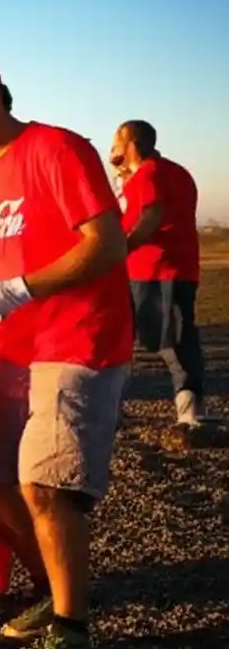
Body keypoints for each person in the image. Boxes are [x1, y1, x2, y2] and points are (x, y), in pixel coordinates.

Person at [0, 48, 131, 649]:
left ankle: (72, 627)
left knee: (44, 483)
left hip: (80, 337)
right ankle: (50, 587)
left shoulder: (57, 150)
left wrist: (24, 286)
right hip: (8, 352)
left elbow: (107, 244)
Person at [110, 120, 209, 429]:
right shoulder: (170, 172)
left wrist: (121, 249)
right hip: (159, 268)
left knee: (173, 340)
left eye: (115, 142)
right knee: (129, 335)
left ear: (131, 145)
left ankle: (190, 413)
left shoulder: (150, 173)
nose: (111, 148)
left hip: (158, 268)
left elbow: (152, 214)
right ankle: (114, 406)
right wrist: (124, 175)